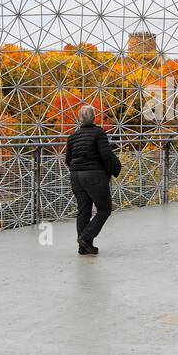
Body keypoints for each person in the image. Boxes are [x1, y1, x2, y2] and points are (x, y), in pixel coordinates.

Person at [64, 105, 121, 255]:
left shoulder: (73, 137)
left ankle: (83, 247)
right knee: (104, 209)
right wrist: (110, 172)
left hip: (76, 177)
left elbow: (68, 159)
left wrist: (78, 169)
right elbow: (106, 155)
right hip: (94, 176)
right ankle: (86, 237)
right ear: (94, 117)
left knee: (84, 210)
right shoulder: (99, 133)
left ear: (79, 118)